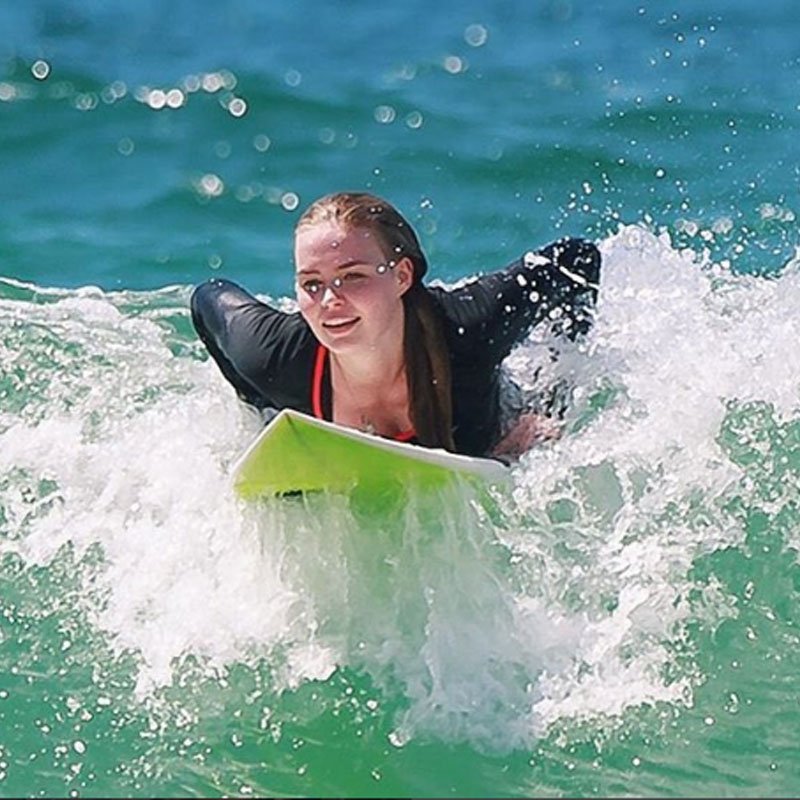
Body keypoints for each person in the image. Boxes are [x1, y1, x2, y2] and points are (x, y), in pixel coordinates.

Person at [190, 192, 601, 459]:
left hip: (495, 419)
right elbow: (207, 300)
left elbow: (576, 260)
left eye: (353, 276)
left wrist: (548, 405)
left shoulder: (469, 330)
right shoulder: (274, 358)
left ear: (402, 276)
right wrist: (262, 411)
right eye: (312, 283)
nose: (330, 301)